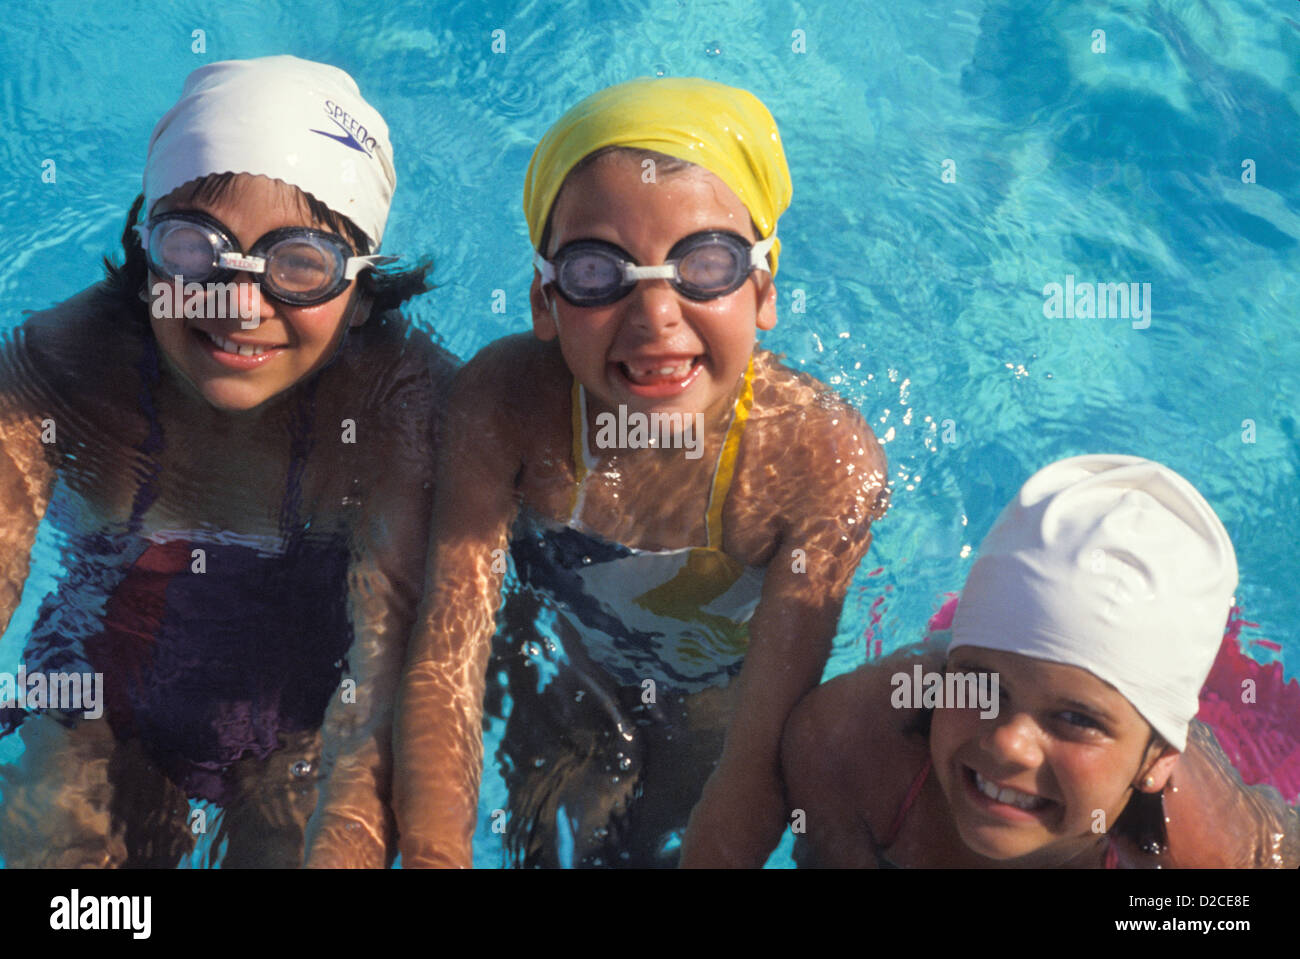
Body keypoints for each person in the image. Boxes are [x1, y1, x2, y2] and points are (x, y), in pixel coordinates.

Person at [394, 77, 889, 868]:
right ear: (543, 300)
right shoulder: (508, 405)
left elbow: (756, 766)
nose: (656, 317)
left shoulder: (817, 461)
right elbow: (444, 661)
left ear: (764, 289)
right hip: (565, 652)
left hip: (717, 698)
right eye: (597, 271)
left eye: (707, 263)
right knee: (549, 846)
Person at [0, 56, 456, 868]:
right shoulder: (62, 370)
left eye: (299, 264)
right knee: (57, 863)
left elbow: (392, 682)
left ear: (360, 290)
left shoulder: (404, 413)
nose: (238, 304)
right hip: (98, 699)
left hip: (306, 729)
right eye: (195, 248)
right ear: (147, 250)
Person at [782, 454, 1300, 868]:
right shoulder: (841, 747)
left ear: (1157, 760)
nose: (1009, 742)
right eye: (981, 688)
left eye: (1076, 719)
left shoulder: (1205, 850)